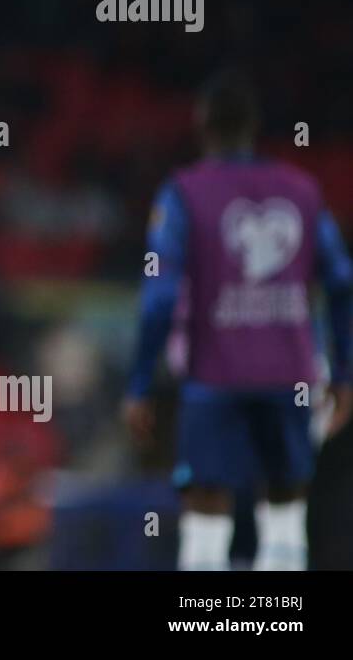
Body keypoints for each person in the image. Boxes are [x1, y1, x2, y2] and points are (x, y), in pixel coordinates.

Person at [124, 70, 353, 570]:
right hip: (291, 377)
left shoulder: (182, 194)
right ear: (253, 126)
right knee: (286, 512)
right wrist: (345, 373)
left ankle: (207, 627)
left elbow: (159, 296)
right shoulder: (304, 191)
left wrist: (140, 383)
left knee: (205, 515)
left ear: (202, 125)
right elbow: (341, 282)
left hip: (213, 377)